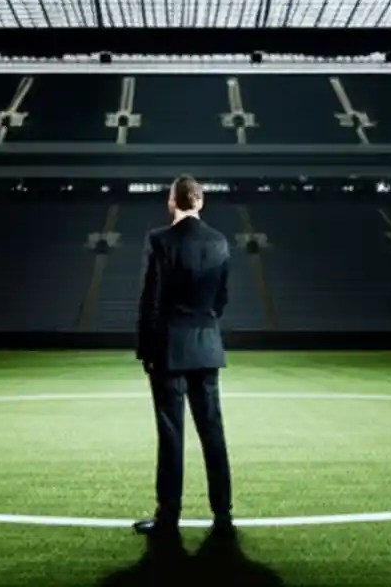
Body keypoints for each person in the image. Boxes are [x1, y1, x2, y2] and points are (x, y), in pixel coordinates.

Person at [133, 175, 233, 536]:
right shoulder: (220, 241)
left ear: (172, 202)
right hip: (206, 346)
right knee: (213, 432)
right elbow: (222, 298)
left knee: (171, 433)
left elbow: (150, 300)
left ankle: (168, 516)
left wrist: (145, 349)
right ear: (200, 203)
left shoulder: (159, 240)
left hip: (169, 349)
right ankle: (222, 512)